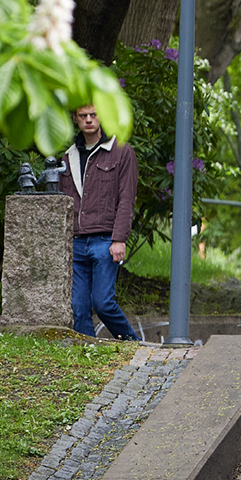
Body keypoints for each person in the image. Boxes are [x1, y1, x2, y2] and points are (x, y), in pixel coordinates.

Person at [58, 103, 140, 340]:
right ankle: (89, 354)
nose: (89, 120)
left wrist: (119, 239)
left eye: (93, 115)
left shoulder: (122, 151)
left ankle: (132, 343)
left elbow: (126, 199)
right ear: (76, 119)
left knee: (103, 302)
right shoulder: (68, 157)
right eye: (83, 116)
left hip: (105, 240)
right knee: (78, 307)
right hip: (76, 241)